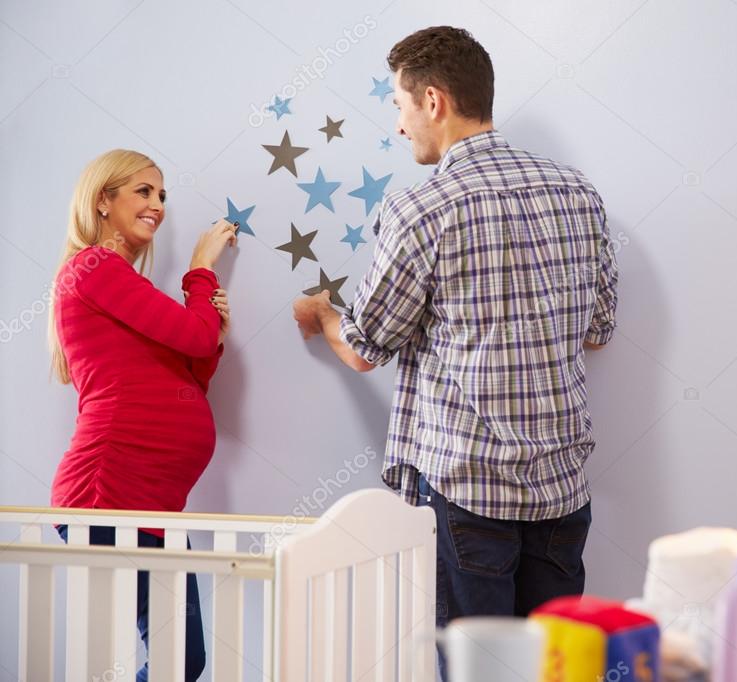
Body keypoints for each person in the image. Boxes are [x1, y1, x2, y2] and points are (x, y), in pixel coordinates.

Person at [292, 25, 618, 676]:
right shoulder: (576, 191)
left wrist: (322, 313)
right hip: (563, 489)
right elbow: (597, 329)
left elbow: (364, 348)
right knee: (557, 670)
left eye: (398, 106)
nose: (399, 125)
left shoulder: (421, 208)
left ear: (433, 101)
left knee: (479, 671)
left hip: (469, 491)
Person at [47, 148, 237, 682]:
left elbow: (190, 376)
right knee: (179, 659)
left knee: (186, 660)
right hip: (108, 496)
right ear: (102, 202)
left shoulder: (122, 284)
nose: (157, 205)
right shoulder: (92, 267)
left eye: (162, 196)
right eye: (143, 192)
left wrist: (213, 337)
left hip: (153, 505)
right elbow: (193, 335)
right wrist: (201, 271)